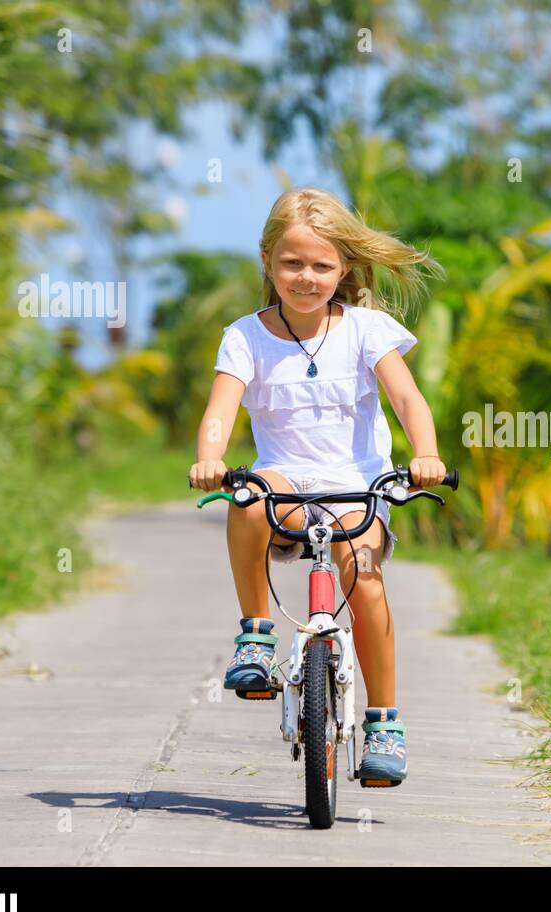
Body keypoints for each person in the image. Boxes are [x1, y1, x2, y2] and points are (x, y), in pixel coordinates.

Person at [188, 186, 446, 784]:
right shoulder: (244, 336)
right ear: (267, 263)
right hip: (286, 483)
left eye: (321, 266)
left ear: (344, 268)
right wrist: (210, 457)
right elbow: (220, 412)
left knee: (367, 582)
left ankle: (384, 723)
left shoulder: (365, 329)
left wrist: (426, 454)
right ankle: (255, 636)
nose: (306, 277)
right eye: (292, 263)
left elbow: (407, 399)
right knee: (247, 495)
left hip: (356, 485)